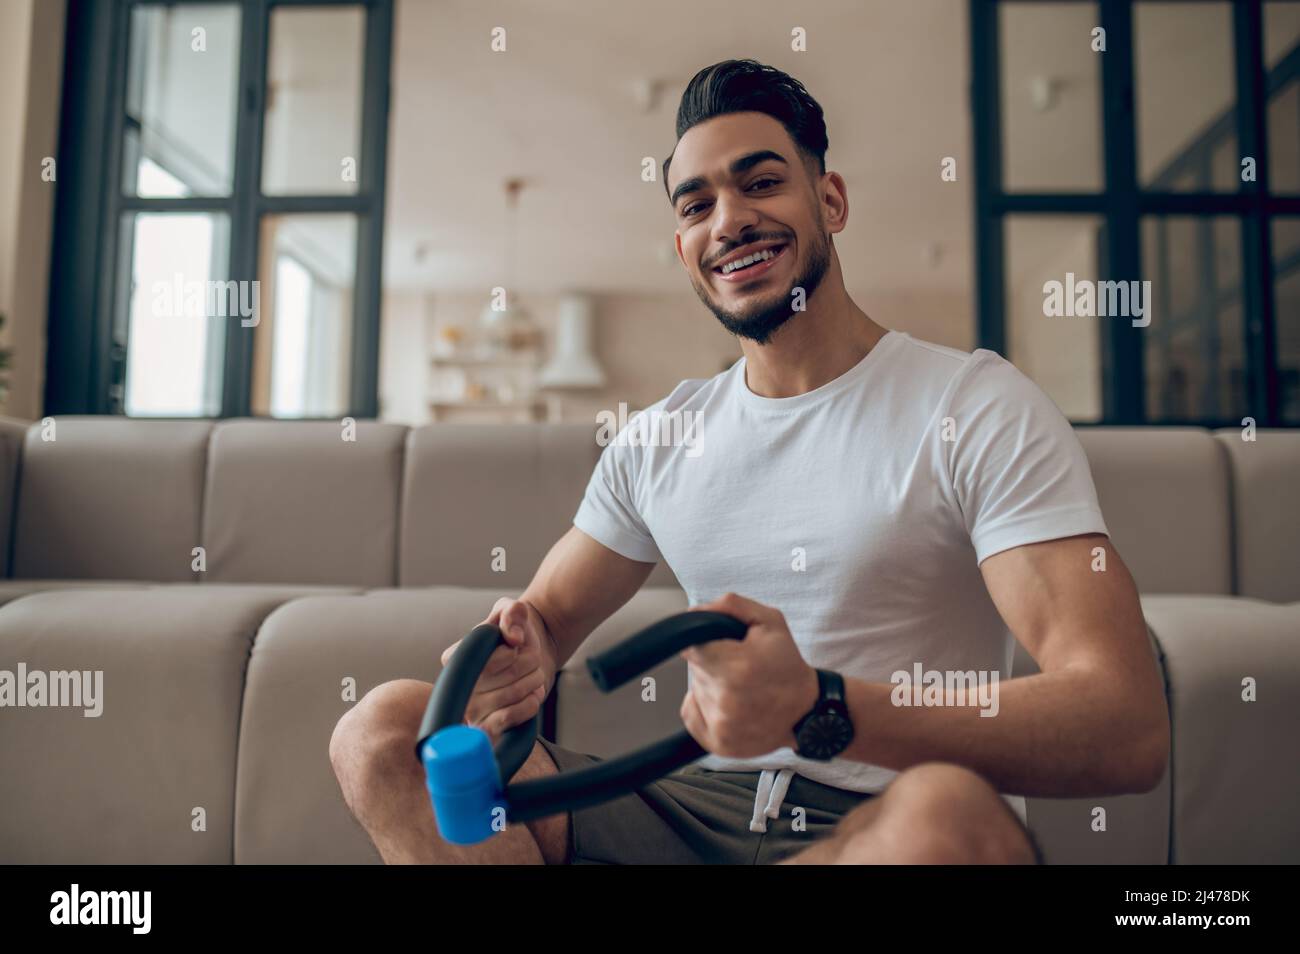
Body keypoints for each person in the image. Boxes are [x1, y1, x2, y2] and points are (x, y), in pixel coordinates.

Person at [330, 59, 1168, 865]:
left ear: (830, 200)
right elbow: (545, 620)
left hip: (881, 817)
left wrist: (820, 709)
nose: (727, 220)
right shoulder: (660, 437)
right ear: (685, 244)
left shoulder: (975, 407)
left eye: (761, 183)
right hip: (693, 811)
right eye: (697, 206)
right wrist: (519, 657)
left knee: (944, 820)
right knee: (383, 732)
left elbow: (1126, 724)